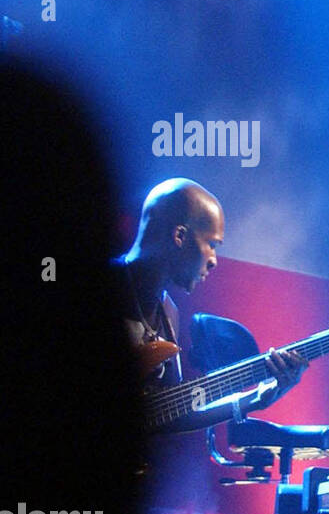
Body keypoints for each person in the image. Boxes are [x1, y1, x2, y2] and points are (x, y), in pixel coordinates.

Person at [115, 177, 308, 431]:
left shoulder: (168, 311)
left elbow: (172, 413)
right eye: (212, 245)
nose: (214, 260)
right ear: (180, 236)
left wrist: (256, 398)